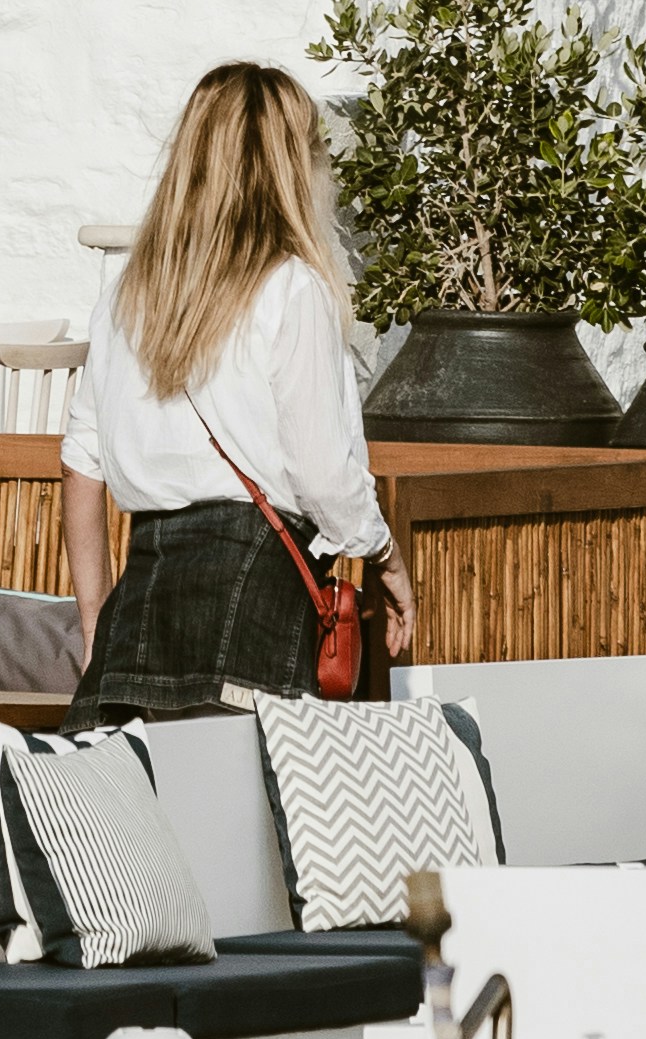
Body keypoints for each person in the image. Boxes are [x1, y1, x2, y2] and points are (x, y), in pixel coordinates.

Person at [62, 62, 410, 720]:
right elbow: (321, 473)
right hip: (257, 590)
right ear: (292, 165)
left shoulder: (127, 297)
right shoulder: (292, 288)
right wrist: (385, 556)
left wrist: (94, 628)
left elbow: (81, 466)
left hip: (141, 593)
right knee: (240, 784)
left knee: (130, 785)